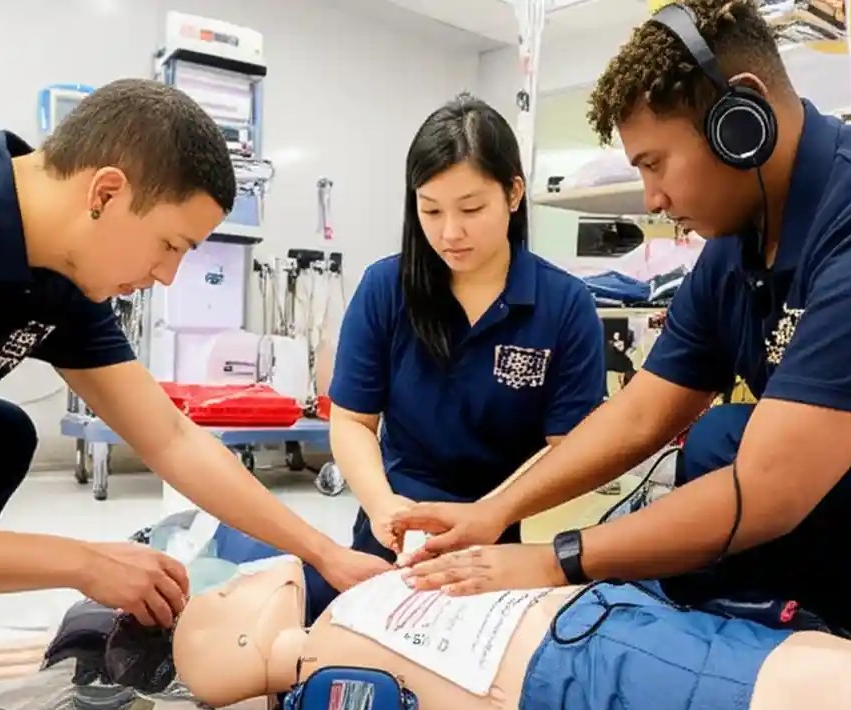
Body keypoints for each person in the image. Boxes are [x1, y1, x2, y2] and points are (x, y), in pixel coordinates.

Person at [392, 0, 851, 677]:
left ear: (739, 121)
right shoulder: (736, 246)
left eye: (656, 163)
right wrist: (495, 513)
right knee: (720, 446)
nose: (652, 197)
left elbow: (771, 490)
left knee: (753, 459)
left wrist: (554, 561)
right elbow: (643, 412)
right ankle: (839, 648)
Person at [0, 78, 391, 710]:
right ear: (105, 192)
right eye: (171, 246)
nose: (168, 275)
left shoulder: (55, 273)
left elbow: (170, 437)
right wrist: (83, 563)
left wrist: (324, 552)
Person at [212, 93, 606, 620]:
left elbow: (570, 449)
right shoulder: (385, 288)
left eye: (471, 209)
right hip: (396, 525)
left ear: (514, 194)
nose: (449, 232)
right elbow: (352, 420)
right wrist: (381, 506)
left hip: (506, 532)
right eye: (430, 209)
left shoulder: (565, 305)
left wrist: (493, 514)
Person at [140, 557, 851, 710]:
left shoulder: (333, 629)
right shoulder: (318, 663)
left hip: (594, 646)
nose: (247, 582)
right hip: (591, 662)